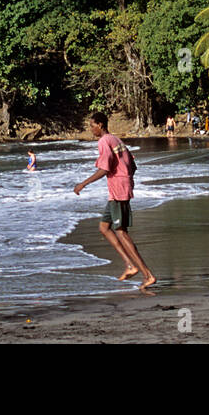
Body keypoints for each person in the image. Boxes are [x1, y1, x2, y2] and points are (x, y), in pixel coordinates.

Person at [74, 112, 155, 290]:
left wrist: (83, 184)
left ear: (101, 125)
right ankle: (130, 265)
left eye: (92, 125)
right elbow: (132, 165)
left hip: (118, 190)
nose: (91, 129)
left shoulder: (104, 141)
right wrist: (127, 179)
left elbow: (105, 168)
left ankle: (147, 275)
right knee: (104, 228)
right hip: (119, 189)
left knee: (121, 232)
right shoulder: (116, 140)